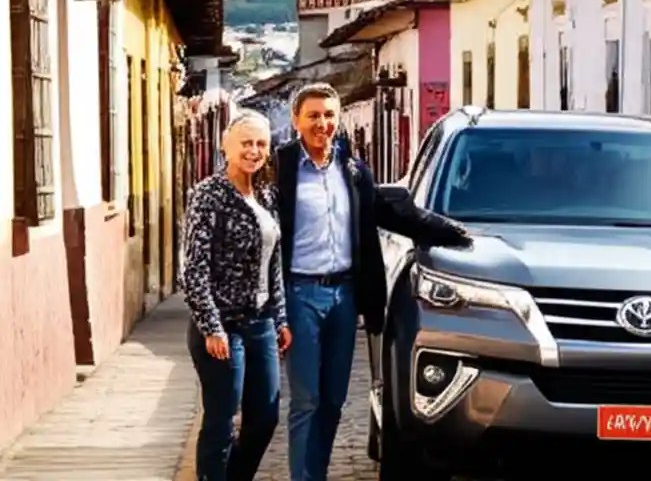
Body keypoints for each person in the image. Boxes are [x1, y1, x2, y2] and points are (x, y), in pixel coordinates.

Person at [275, 83, 469, 481]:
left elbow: (396, 214)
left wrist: (454, 232)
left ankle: (318, 471)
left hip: (345, 296)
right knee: (306, 400)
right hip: (299, 294)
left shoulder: (354, 171)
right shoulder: (280, 170)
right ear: (296, 121)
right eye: (313, 115)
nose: (322, 124)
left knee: (333, 400)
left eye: (329, 115)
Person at [181, 109, 293, 481]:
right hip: (222, 327)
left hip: (260, 323)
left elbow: (273, 262)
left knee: (265, 416)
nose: (254, 151)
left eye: (261, 143)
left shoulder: (265, 195)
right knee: (222, 418)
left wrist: (280, 318)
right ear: (226, 147)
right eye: (246, 143)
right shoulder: (208, 195)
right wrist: (211, 326)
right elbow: (194, 268)